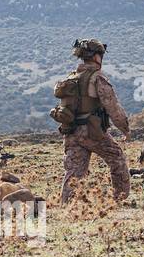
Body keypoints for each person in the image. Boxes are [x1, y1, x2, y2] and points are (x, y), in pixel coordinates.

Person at [53, 39, 131, 202]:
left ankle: (67, 206)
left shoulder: (73, 77)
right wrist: (125, 128)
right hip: (91, 132)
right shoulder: (97, 78)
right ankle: (120, 199)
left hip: (71, 132)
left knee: (74, 173)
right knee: (117, 158)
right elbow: (112, 107)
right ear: (96, 57)